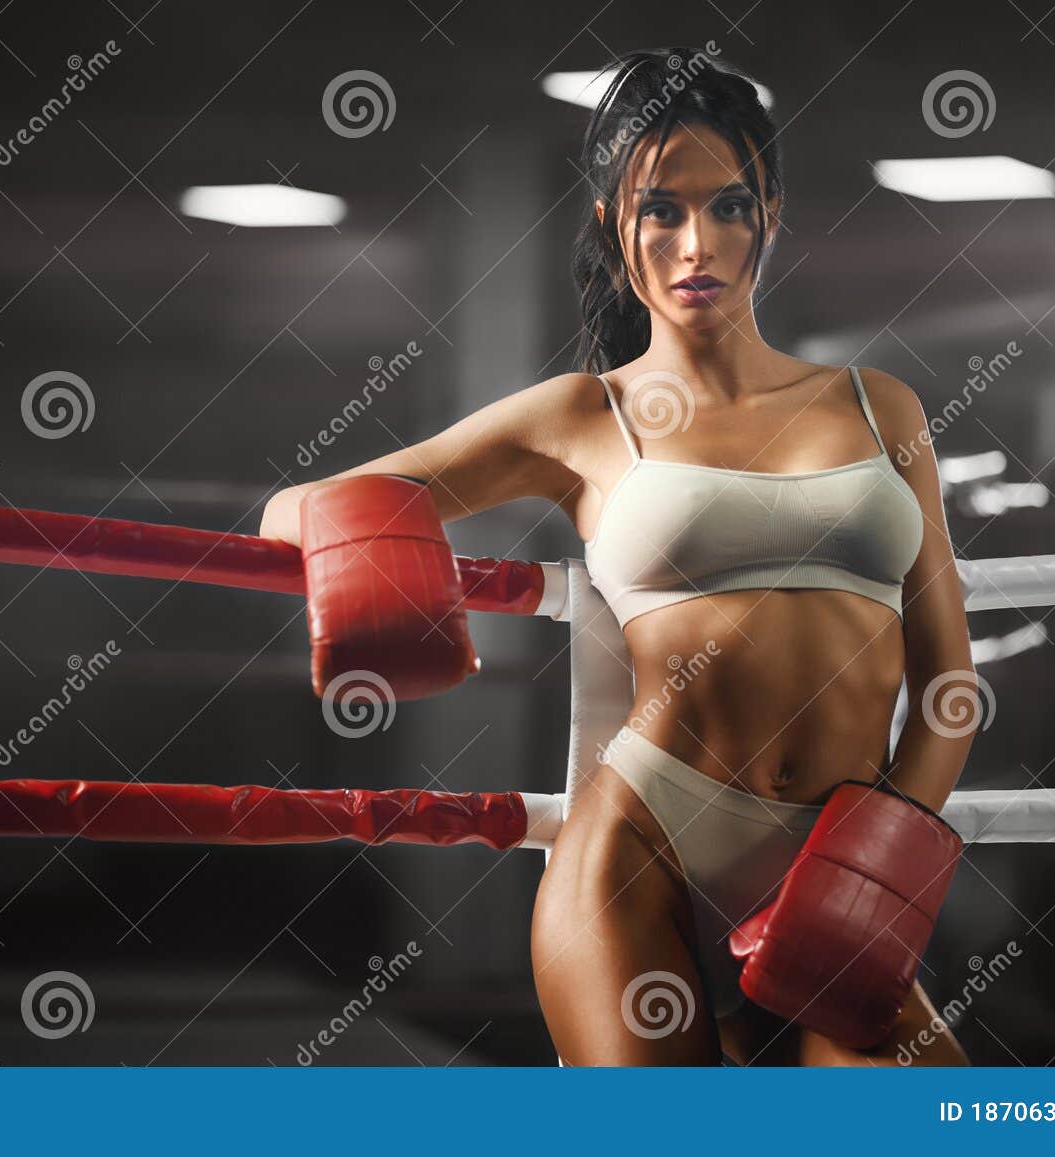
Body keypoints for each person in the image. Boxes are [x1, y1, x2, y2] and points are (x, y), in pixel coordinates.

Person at [260, 47, 975, 1066]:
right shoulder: (580, 417)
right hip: (643, 839)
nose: (699, 243)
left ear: (769, 209)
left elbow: (951, 680)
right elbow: (306, 504)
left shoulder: (878, 406)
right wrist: (380, 570)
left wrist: (869, 864)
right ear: (613, 223)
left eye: (729, 206)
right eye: (661, 210)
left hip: (838, 847)